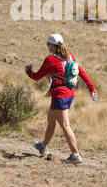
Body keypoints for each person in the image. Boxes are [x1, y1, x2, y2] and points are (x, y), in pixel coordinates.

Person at [25, 33, 97, 164]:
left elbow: (36, 76)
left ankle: (75, 155)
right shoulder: (69, 56)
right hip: (69, 94)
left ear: (52, 45)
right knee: (51, 120)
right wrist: (92, 88)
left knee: (65, 125)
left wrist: (28, 71)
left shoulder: (50, 59)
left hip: (60, 96)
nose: (47, 46)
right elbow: (80, 71)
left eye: (48, 44)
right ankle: (43, 145)